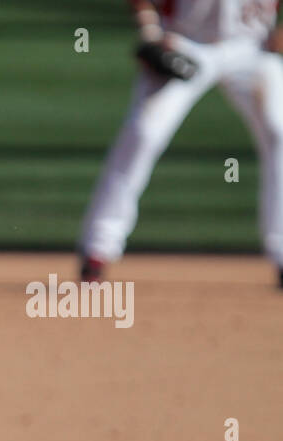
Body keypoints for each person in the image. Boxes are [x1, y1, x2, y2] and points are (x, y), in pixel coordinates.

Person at [78, 0, 283, 285]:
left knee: (280, 130)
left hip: (252, 46)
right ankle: (98, 249)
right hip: (184, 42)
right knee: (144, 133)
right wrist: (150, 34)